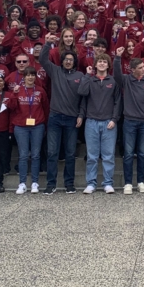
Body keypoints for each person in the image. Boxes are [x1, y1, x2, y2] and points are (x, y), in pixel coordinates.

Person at [41, 48, 87, 194]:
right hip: (55, 117)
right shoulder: (55, 71)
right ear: (62, 61)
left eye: (71, 60)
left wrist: (81, 115)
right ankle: (51, 184)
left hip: (72, 119)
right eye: (66, 59)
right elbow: (42, 59)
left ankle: (69, 184)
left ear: (74, 62)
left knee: (70, 153)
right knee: (52, 152)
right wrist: (48, 43)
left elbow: (84, 98)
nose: (68, 62)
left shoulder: (80, 75)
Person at [78, 53, 121, 194]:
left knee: (108, 155)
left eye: (104, 62)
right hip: (91, 121)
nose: (102, 64)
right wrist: (86, 75)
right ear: (95, 65)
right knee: (92, 156)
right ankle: (91, 183)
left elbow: (117, 102)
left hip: (109, 122)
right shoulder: (90, 81)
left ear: (108, 65)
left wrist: (114, 119)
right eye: (99, 62)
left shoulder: (113, 82)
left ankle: (108, 183)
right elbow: (82, 93)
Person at [113, 54, 144, 194]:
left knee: (142, 153)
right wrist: (118, 57)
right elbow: (117, 74)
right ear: (132, 70)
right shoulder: (126, 80)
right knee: (129, 153)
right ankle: (128, 183)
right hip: (130, 120)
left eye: (143, 67)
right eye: (140, 68)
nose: (143, 69)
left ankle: (141, 182)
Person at [12, 69, 48, 194]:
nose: (30, 77)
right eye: (28, 75)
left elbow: (46, 108)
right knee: (23, 155)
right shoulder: (18, 90)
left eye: (33, 75)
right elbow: (11, 107)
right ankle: (22, 183)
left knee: (36, 155)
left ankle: (35, 183)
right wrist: (14, 94)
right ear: (24, 77)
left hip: (37, 125)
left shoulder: (40, 91)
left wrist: (45, 125)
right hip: (21, 126)